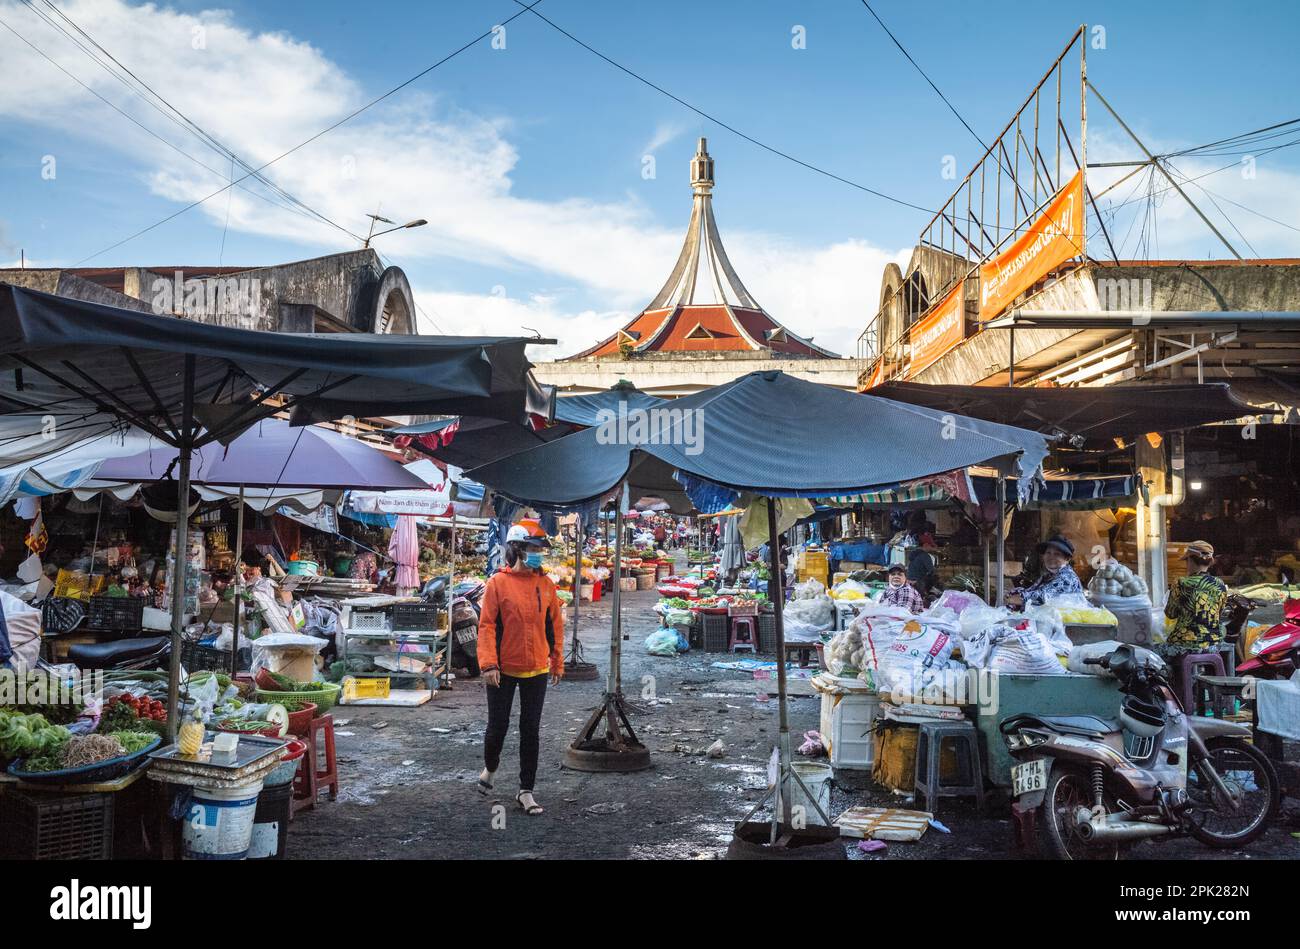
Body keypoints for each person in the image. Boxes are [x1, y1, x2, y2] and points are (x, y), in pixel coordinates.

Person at [476, 522, 564, 816]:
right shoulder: (496, 584)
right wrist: (488, 664)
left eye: (540, 549)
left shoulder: (546, 585)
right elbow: (486, 626)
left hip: (536, 668)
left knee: (531, 730)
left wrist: (557, 660)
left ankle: (526, 791)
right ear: (516, 549)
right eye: (532, 548)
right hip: (501, 669)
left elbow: (555, 626)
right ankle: (491, 766)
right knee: (497, 728)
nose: (538, 554)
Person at [1161, 540, 1228, 658]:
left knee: (1155, 654)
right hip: (1213, 645)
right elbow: (1219, 613)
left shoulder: (1180, 582)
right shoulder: (1220, 584)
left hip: (1184, 645)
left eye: (1187, 561)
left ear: (1191, 560)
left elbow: (1171, 614)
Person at [1007, 534, 1082, 609]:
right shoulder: (1048, 576)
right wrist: (1014, 594)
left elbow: (1044, 597)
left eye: (1057, 554)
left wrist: (1015, 599)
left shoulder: (1067, 577)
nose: (1051, 557)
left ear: (1067, 559)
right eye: (1048, 553)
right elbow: (1031, 591)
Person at [906, 533, 939, 600]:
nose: (932, 548)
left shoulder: (914, 554)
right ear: (926, 545)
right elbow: (932, 571)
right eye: (931, 546)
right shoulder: (925, 556)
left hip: (909, 580)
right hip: (919, 583)